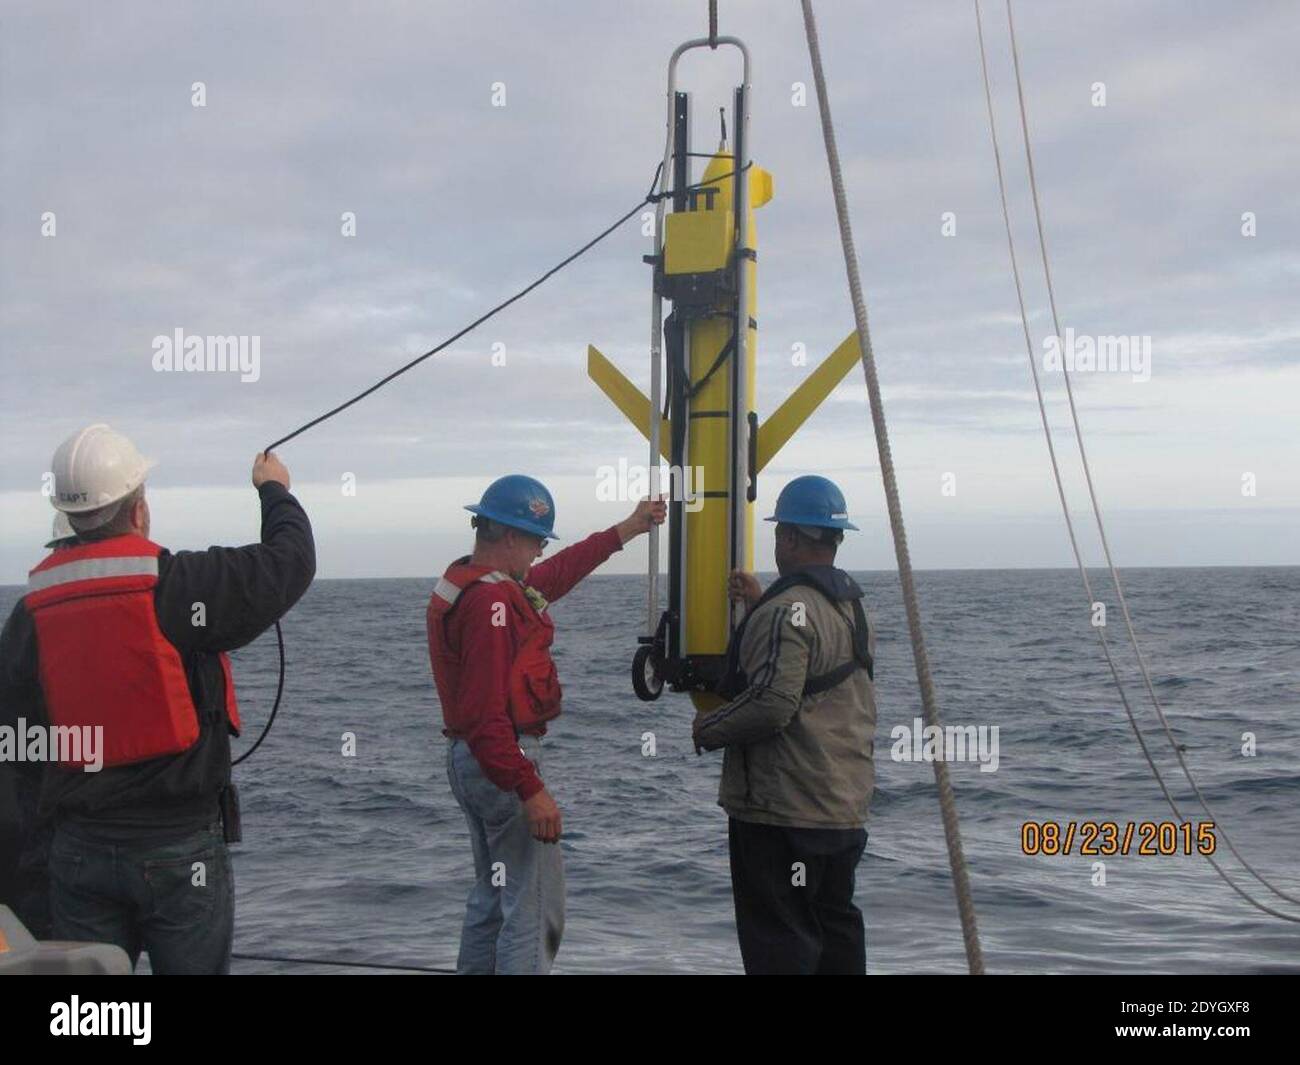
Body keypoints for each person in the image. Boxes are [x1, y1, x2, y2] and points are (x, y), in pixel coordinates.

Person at [0, 423, 315, 973]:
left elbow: (17, 750)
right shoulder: (180, 585)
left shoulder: (29, 616)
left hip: (78, 852)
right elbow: (289, 560)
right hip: (178, 851)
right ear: (139, 509)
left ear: (68, 517)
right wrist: (273, 489)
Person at [428, 474, 664, 974]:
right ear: (511, 536)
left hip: (468, 761)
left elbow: (556, 575)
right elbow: (487, 716)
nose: (538, 553)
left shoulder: (474, 584)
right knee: (534, 909)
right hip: (501, 762)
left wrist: (627, 529)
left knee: (492, 900)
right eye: (536, 541)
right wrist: (530, 788)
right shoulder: (493, 605)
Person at [692, 474, 876, 975]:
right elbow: (815, 668)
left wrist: (707, 728)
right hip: (841, 812)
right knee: (835, 931)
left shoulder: (783, 613)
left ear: (790, 538)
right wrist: (760, 604)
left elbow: (774, 703)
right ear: (835, 539)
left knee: (781, 941)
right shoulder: (849, 606)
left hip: (783, 815)